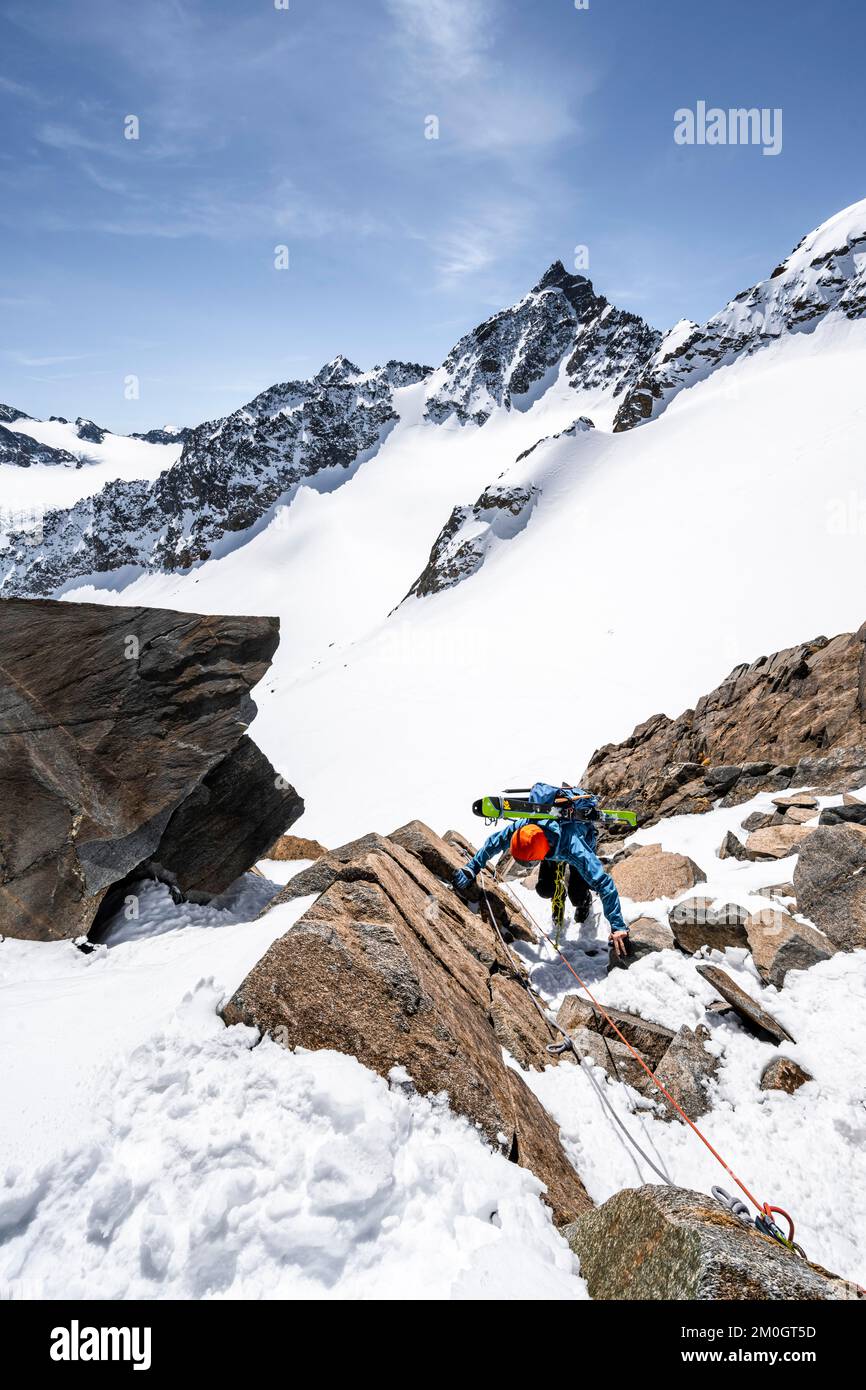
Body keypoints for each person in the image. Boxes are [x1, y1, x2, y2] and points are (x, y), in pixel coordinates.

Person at [453, 808, 630, 958]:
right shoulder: (525, 828)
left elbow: (604, 883)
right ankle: (559, 891)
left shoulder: (575, 848)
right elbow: (495, 842)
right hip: (550, 847)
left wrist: (618, 925)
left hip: (578, 840)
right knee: (545, 889)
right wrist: (472, 868)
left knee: (577, 896)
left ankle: (584, 901)